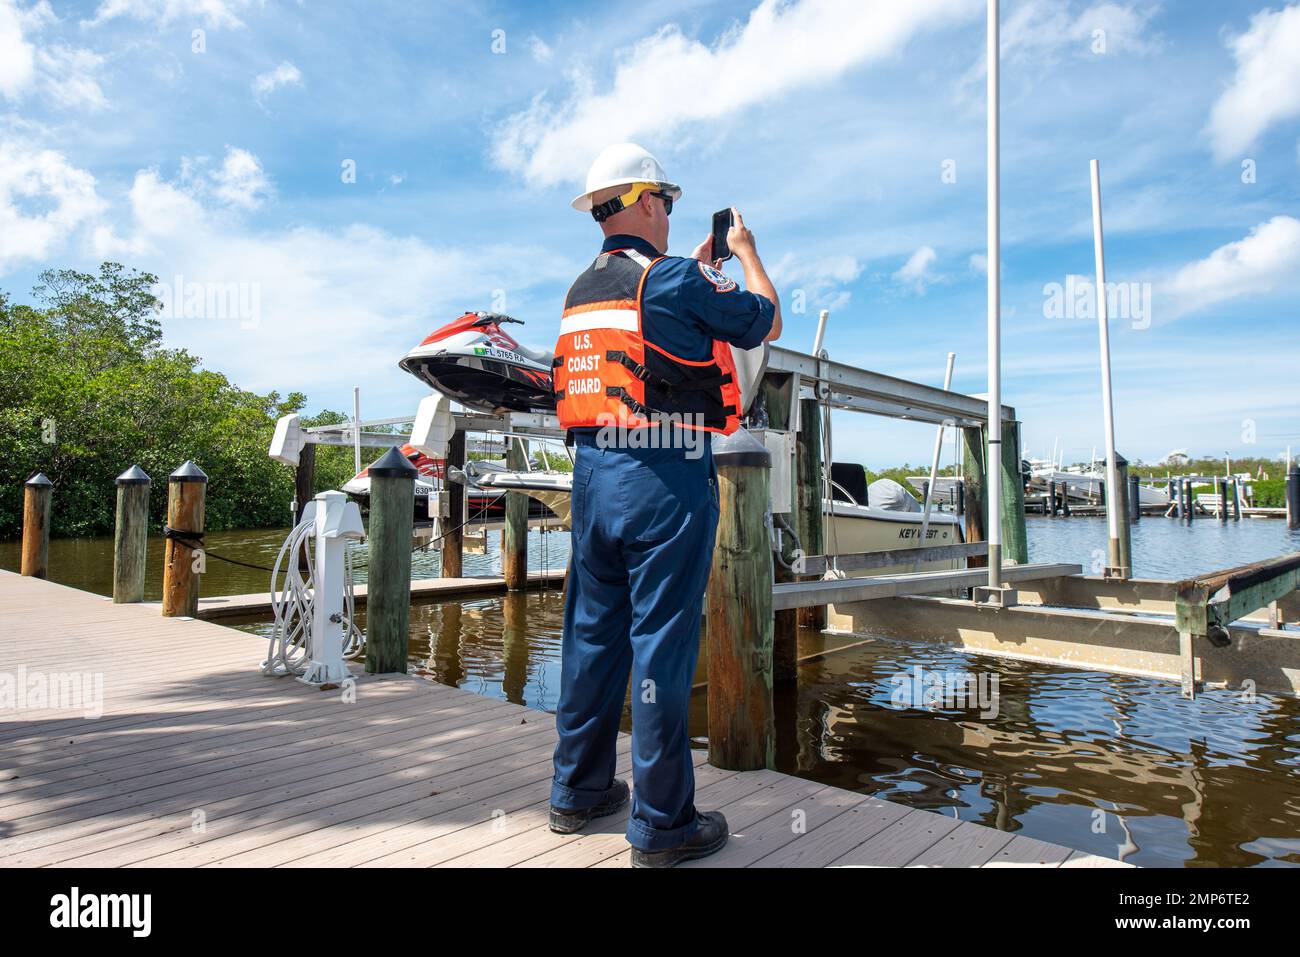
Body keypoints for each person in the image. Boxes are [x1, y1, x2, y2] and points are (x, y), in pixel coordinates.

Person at [547, 142, 782, 867]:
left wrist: (699, 267)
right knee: (661, 647)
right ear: (647, 200)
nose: (673, 215)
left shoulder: (582, 289)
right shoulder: (674, 277)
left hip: (591, 474)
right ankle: (661, 823)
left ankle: (577, 790)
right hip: (664, 475)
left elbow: (655, 331)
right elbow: (765, 319)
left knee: (591, 636)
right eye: (669, 202)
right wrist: (743, 252)